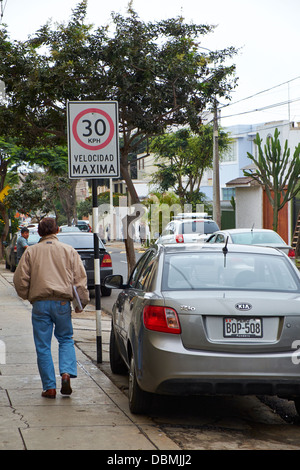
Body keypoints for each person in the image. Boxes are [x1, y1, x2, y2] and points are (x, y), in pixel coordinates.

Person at [13, 217, 90, 399]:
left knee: (43, 346)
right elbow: (79, 279)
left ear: (38, 233)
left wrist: (27, 295)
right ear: (57, 231)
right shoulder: (69, 251)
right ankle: (65, 374)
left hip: (40, 303)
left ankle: (49, 388)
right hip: (62, 302)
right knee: (65, 339)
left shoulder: (31, 252)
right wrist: (81, 303)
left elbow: (19, 280)